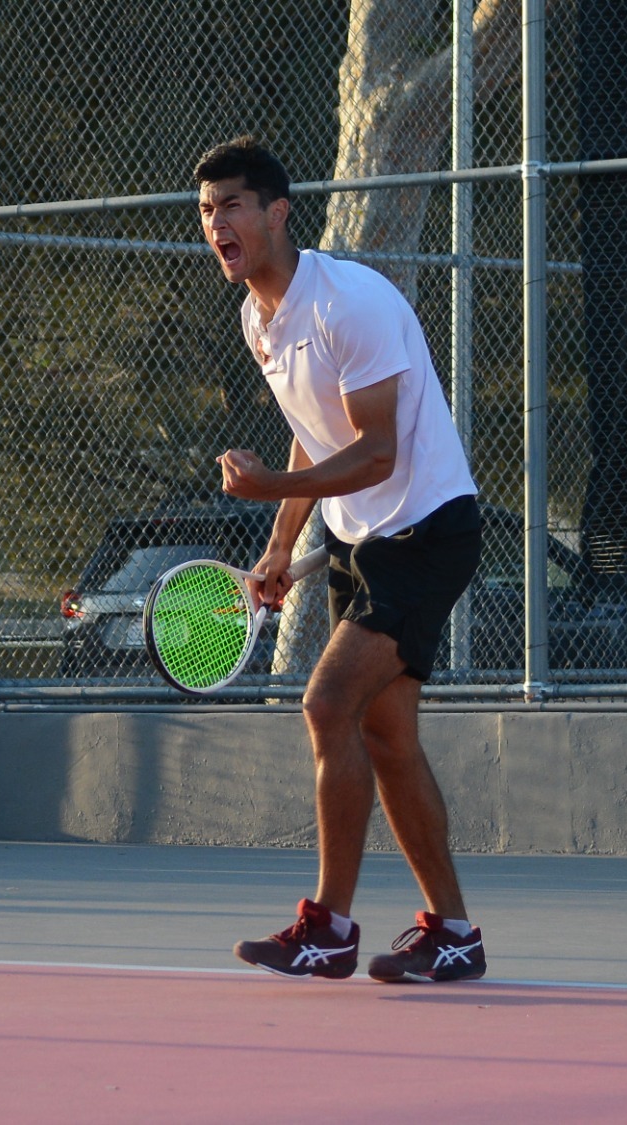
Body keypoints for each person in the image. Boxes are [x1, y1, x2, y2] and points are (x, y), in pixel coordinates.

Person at [196, 137, 486, 982]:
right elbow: (313, 426)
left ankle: (328, 927)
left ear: (279, 212)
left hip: (428, 529)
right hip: (362, 544)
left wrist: (271, 486)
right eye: (207, 211)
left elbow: (378, 452)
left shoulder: (347, 303)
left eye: (233, 206)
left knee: (325, 705)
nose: (217, 223)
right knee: (387, 735)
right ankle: (454, 935)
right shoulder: (259, 315)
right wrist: (281, 542)